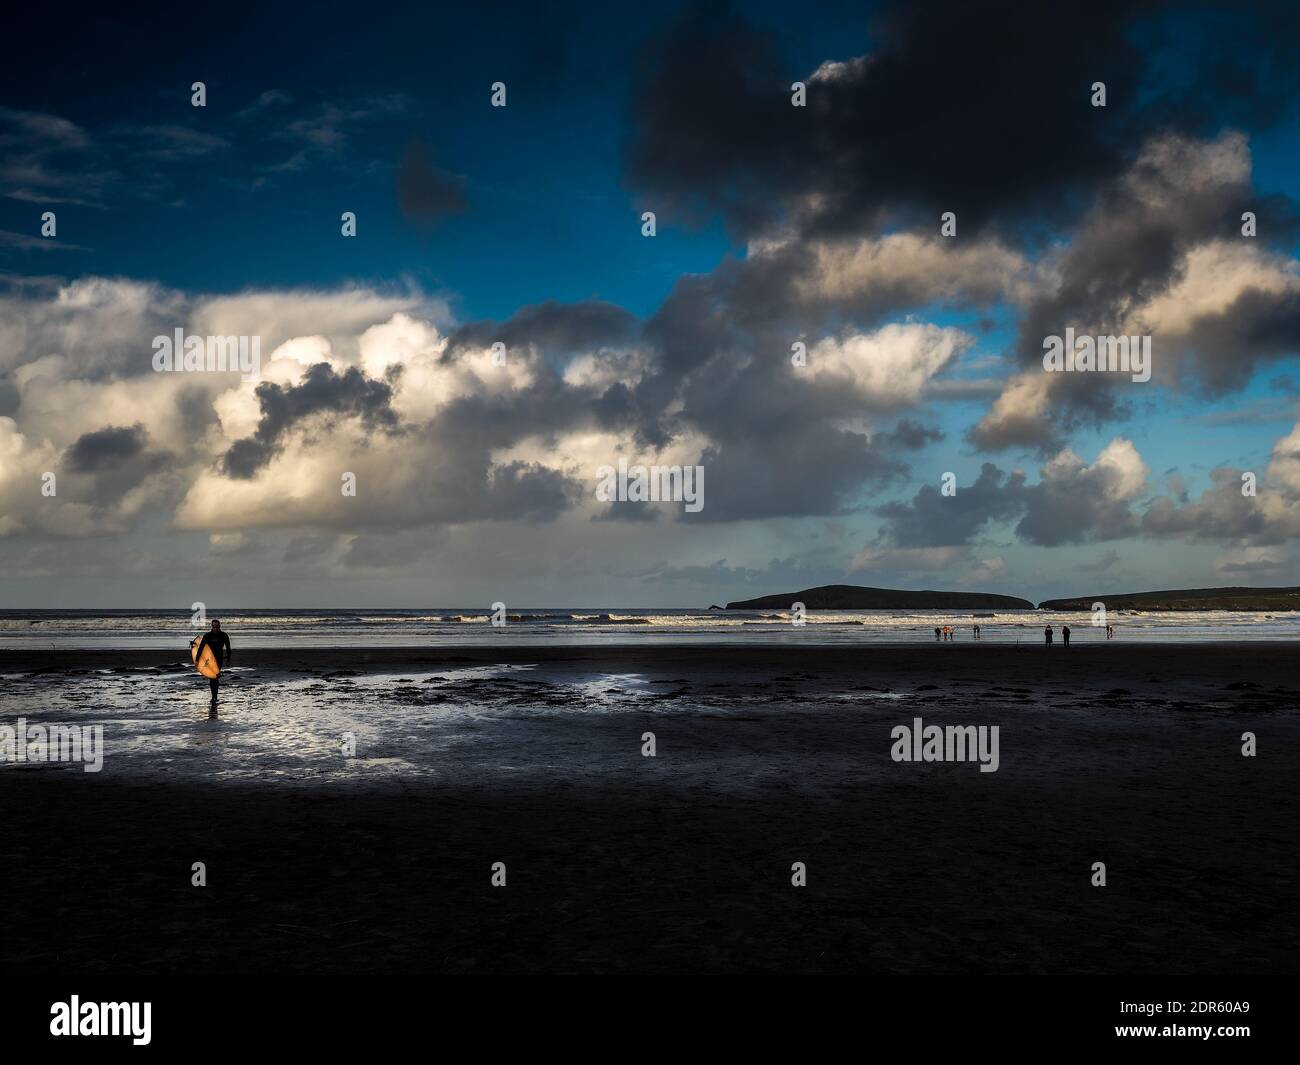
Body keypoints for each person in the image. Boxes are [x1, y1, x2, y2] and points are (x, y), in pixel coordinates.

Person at [195, 619, 232, 703]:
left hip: (219, 659)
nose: (215, 628)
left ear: (219, 626)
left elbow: (228, 648)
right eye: (214, 627)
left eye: (217, 627)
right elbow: (201, 648)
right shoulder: (207, 635)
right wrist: (197, 660)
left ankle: (215, 696)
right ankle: (214, 697)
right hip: (209, 660)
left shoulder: (224, 635)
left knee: (215, 677)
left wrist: (228, 660)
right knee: (212, 678)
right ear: (212, 626)